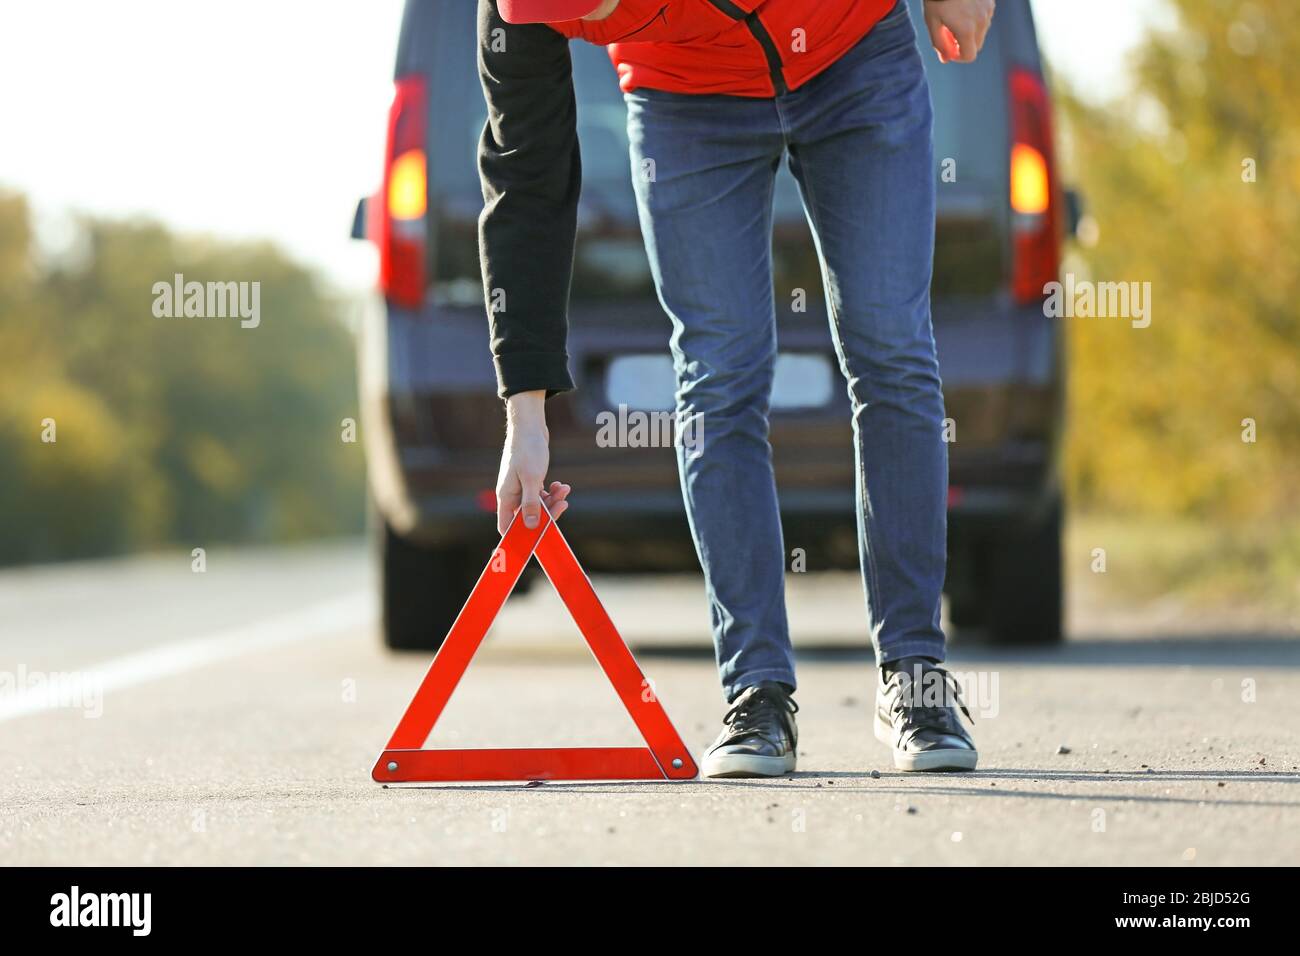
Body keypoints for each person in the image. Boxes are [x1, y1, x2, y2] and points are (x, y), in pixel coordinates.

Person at [477, 0, 993, 776]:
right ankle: (756, 693)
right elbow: (526, 178)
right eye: (589, 19)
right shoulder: (517, 14)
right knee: (718, 373)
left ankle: (916, 681)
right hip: (684, 97)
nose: (604, 16)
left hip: (851, 50)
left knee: (890, 345)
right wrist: (526, 414)